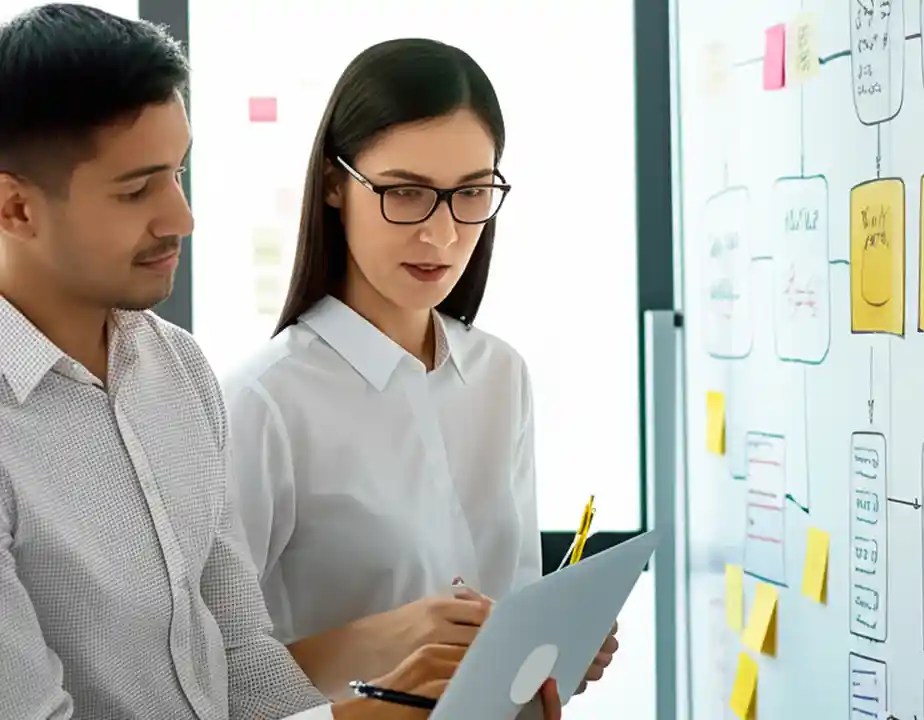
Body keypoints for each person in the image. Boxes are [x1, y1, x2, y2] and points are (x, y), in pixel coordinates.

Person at [0, 5, 561, 719]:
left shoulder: (177, 371)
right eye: (138, 189)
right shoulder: (258, 395)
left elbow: (237, 660)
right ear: (15, 209)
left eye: (179, 174)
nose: (183, 217)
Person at [219, 36, 618, 700]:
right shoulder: (265, 402)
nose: (440, 235)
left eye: (471, 193)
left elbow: (507, 637)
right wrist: (395, 637)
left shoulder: (501, 376)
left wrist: (554, 649)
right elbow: (211, 676)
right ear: (333, 186)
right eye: (404, 193)